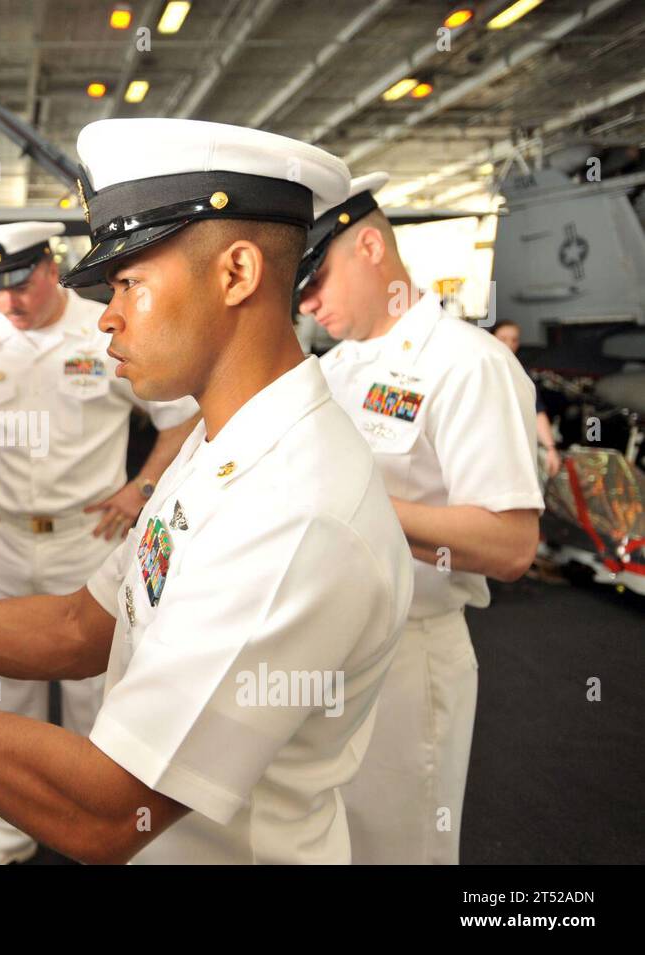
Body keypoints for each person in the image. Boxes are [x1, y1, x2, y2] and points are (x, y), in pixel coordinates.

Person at [0, 118, 413, 865]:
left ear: (237, 274)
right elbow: (80, 626)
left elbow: (109, 810)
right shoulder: (223, 444)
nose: (108, 315)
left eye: (131, 284)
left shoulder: (293, 509)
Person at [0, 219, 199, 864]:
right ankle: (8, 829)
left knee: (92, 690)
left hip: (89, 536)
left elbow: (179, 416)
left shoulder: (104, 326)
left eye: (20, 285)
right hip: (9, 538)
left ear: (50, 268)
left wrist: (142, 488)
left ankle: (90, 827)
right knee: (6, 686)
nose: (10, 302)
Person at [298, 172, 544, 864]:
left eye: (316, 278)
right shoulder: (334, 369)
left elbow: (512, 543)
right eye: (299, 292)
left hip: (411, 650)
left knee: (402, 845)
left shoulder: (468, 366)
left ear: (370, 246)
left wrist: (356, 508)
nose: (309, 304)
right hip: (327, 648)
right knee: (335, 841)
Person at [493, 320, 561, 479]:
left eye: (514, 339)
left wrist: (550, 448)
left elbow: (536, 410)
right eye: (503, 338)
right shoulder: (477, 368)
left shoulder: (521, 373)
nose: (509, 344)